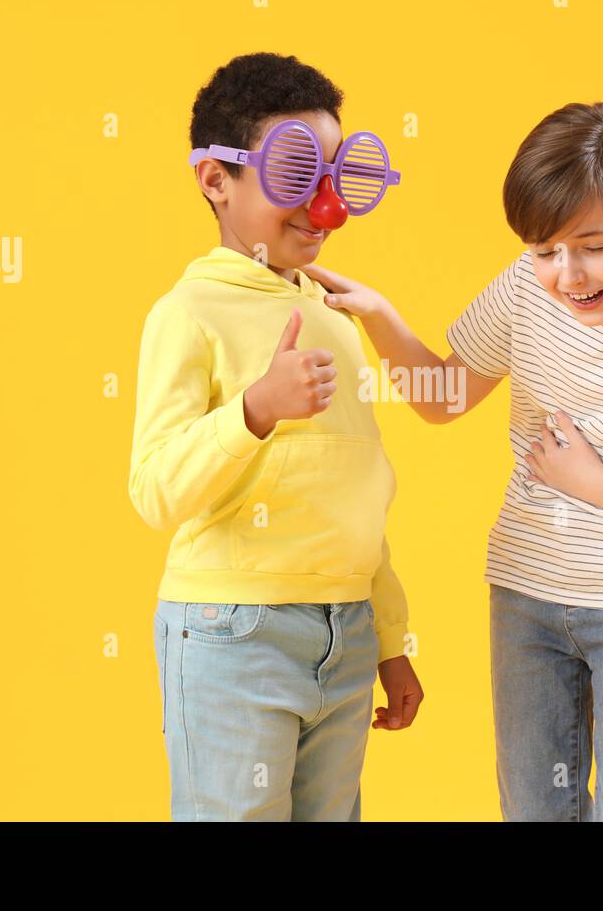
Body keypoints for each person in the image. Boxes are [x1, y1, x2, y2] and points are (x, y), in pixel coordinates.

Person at [310, 99, 603, 821]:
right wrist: (382, 317)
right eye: (545, 250)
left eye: (593, 245)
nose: (567, 274)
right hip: (528, 591)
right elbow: (443, 397)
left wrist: (596, 484)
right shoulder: (526, 292)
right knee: (534, 809)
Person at [128, 52, 423, 821]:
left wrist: (389, 638)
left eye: (335, 175)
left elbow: (356, 494)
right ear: (214, 179)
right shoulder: (188, 312)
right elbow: (155, 489)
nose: (323, 206)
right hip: (234, 634)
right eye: (294, 172)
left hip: (347, 633)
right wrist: (254, 411)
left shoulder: (336, 316)